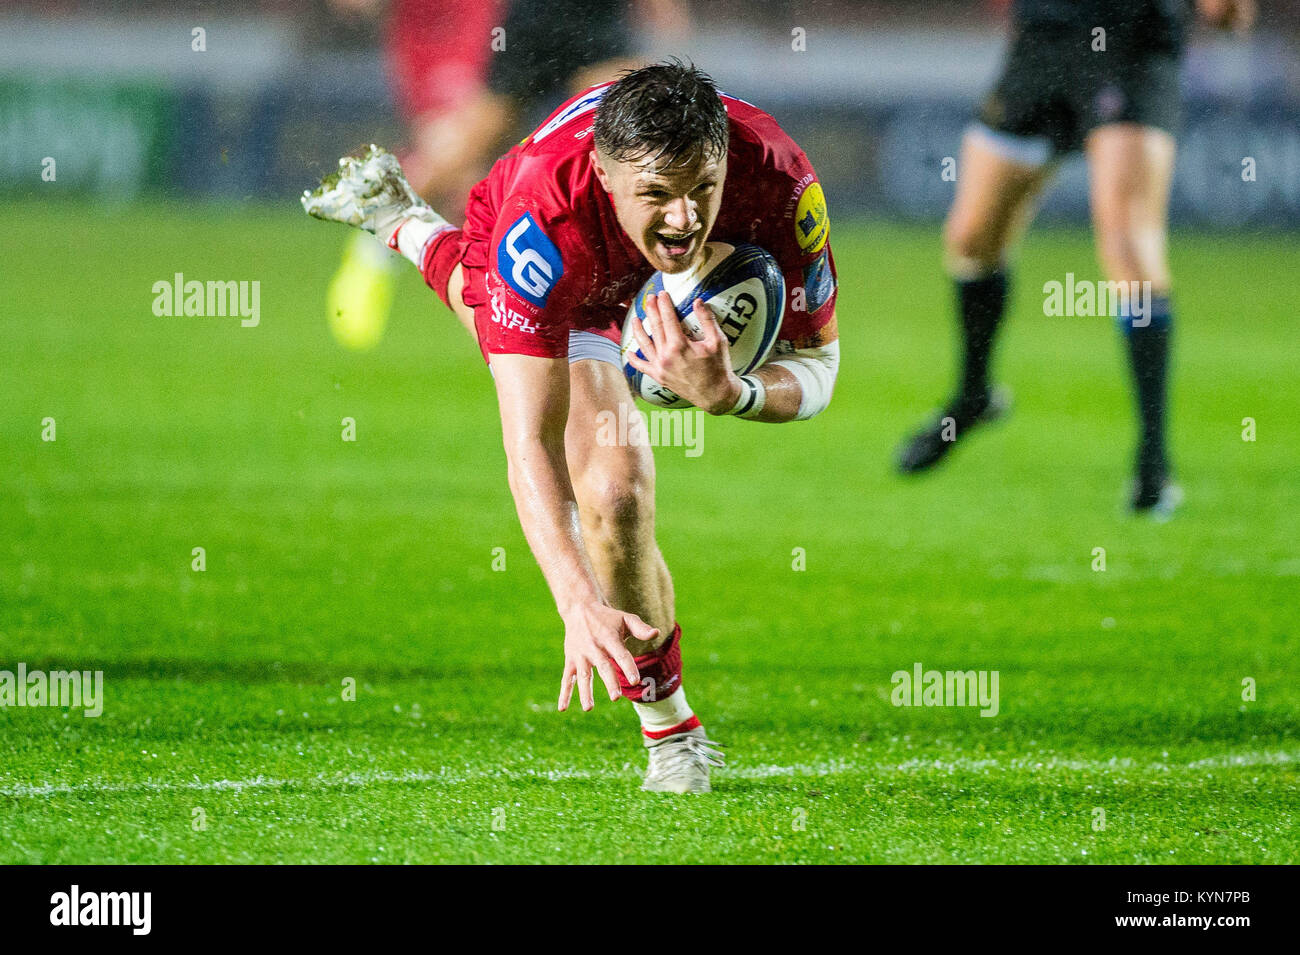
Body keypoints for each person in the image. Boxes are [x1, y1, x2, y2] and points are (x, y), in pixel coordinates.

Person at [302, 62, 840, 793]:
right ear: (605, 171)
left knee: (601, 468)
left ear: (725, 161)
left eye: (701, 191)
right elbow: (529, 436)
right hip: (573, 271)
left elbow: (821, 367)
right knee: (612, 492)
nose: (683, 219)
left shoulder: (778, 178)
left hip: (618, 261)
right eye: (656, 194)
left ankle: (402, 218)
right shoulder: (543, 218)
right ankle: (672, 732)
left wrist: (732, 393)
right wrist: (574, 595)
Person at [895, 0, 1256, 518]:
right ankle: (974, 397)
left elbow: (1229, 17)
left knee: (1130, 246)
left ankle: (1154, 461)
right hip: (1044, 39)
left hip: (1132, 43)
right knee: (971, 240)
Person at [326, 0, 688, 351]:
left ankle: (638, 290)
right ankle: (380, 230)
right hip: (541, 17)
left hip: (597, 19)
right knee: (478, 139)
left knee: (637, 121)